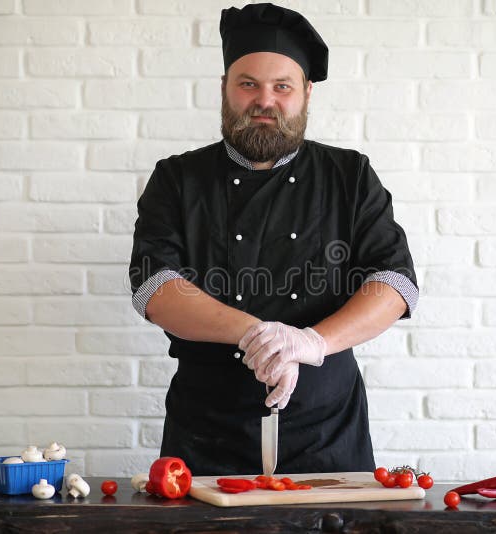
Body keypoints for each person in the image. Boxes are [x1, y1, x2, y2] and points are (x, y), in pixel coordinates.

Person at [129, 2, 418, 476]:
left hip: (327, 432)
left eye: (282, 86)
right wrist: (257, 335)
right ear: (225, 88)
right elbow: (155, 289)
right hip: (206, 433)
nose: (265, 101)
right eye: (249, 84)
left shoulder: (350, 175)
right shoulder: (177, 179)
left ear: (306, 92)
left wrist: (310, 342)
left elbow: (394, 284)